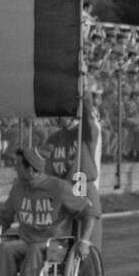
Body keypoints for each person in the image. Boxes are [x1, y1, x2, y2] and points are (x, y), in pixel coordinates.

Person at [0, 145, 99, 276]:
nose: (14, 167)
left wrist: (84, 241)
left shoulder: (60, 188)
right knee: (4, 249)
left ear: (31, 169)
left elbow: (90, 212)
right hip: (26, 241)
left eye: (18, 164)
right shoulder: (18, 189)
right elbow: (4, 216)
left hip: (56, 245)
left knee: (35, 250)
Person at [44, 90, 102, 246]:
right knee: (57, 240)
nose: (57, 117)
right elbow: (48, 169)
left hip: (83, 186)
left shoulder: (84, 133)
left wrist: (85, 98)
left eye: (61, 113)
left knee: (89, 241)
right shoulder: (54, 138)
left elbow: (89, 121)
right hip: (63, 191)